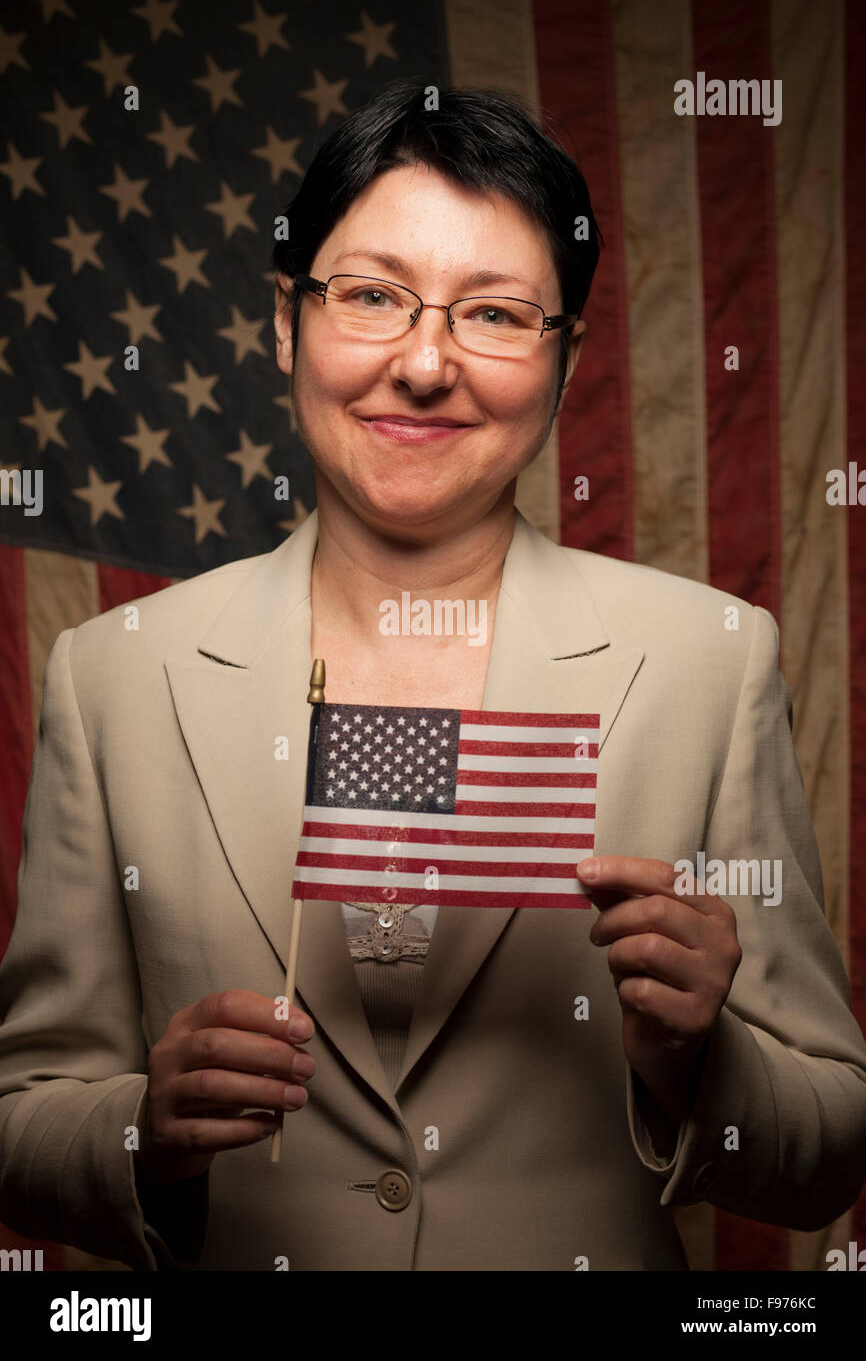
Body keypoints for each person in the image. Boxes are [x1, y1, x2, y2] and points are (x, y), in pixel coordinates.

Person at [0, 78, 864, 1272]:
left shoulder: (707, 662)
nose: (423, 361)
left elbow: (826, 1148)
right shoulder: (113, 678)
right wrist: (141, 1128)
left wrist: (695, 1059)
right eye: (370, 296)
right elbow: (24, 1114)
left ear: (563, 365)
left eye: (498, 315)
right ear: (284, 322)